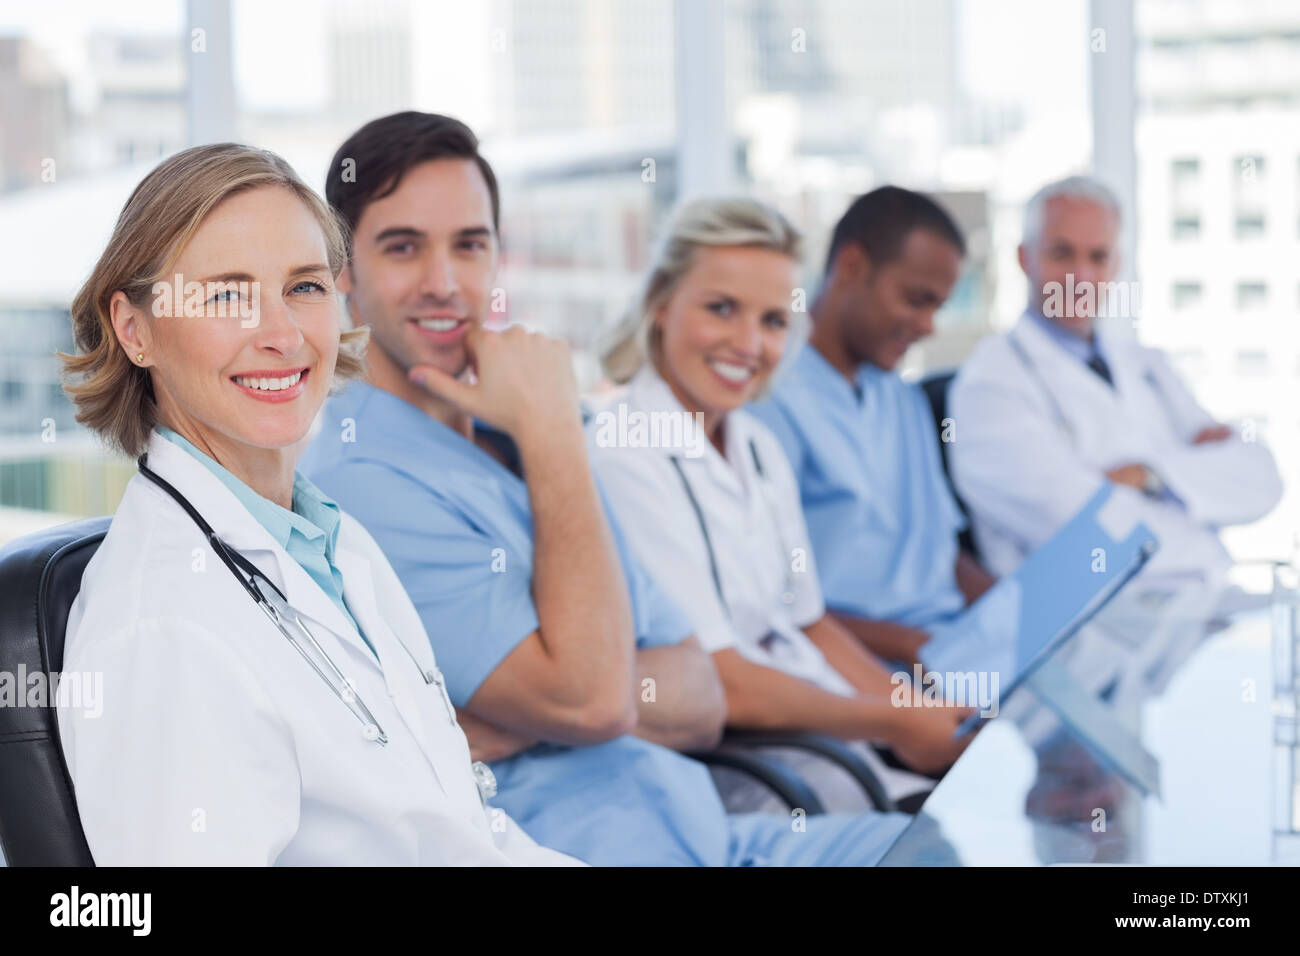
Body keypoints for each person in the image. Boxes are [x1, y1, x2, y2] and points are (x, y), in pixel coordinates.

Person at [301, 111, 912, 865]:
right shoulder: (363, 484)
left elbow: (698, 695)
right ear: (343, 272)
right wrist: (553, 433)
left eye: (470, 245)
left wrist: (548, 709)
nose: (444, 282)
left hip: (716, 836)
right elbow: (592, 700)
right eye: (403, 247)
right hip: (589, 851)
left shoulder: (512, 440)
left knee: (977, 845)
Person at [55, 143, 579, 866]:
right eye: (227, 295)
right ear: (135, 328)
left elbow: (465, 832)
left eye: (303, 287)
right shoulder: (163, 628)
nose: (282, 335)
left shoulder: (332, 542)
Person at [588, 197, 973, 813]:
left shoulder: (756, 443)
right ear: (661, 302)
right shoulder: (622, 453)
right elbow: (723, 681)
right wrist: (894, 722)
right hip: (750, 765)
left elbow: (809, 622)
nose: (749, 344)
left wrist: (921, 713)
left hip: (824, 736)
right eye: (721, 309)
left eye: (772, 321)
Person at [948, 176, 1282, 586]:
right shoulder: (989, 384)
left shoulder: (1146, 364)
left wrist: (1148, 476)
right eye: (1061, 254)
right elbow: (1083, 531)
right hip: (1082, 616)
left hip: (1194, 603)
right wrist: (1199, 508)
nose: (1080, 276)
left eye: (1098, 256)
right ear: (1023, 258)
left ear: (1116, 265)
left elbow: (1263, 480)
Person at [749, 187, 996, 668]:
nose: (928, 326)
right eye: (916, 300)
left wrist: (1021, 615)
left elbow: (941, 553)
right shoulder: (769, 401)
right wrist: (917, 648)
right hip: (861, 666)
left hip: (952, 652)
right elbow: (770, 604)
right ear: (853, 266)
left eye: (938, 307)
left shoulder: (899, 397)